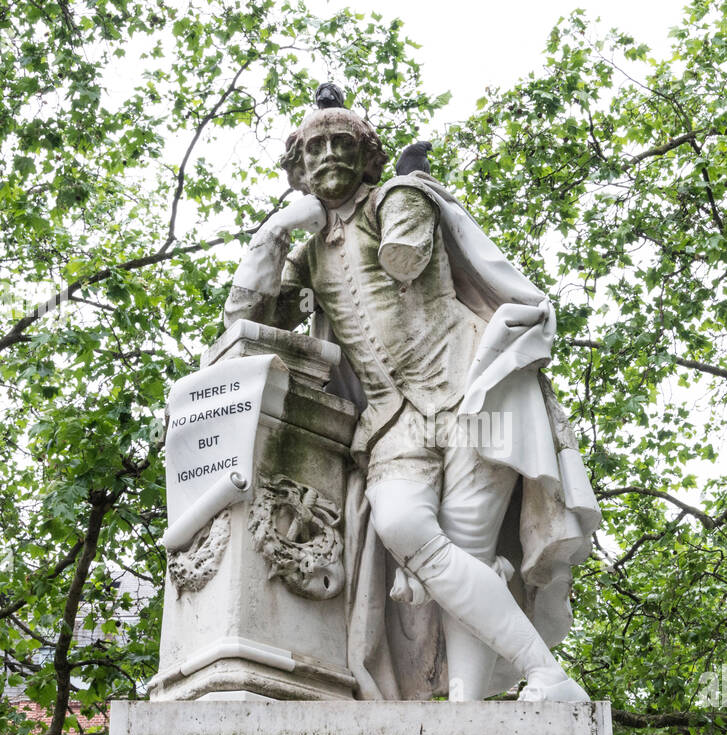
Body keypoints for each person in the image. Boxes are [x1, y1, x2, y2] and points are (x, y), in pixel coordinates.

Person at [224, 89, 598, 702]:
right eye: (313, 148)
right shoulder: (310, 251)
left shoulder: (398, 199)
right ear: (298, 168)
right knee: (404, 526)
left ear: (366, 155)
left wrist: (407, 188)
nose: (328, 157)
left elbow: (402, 262)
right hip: (392, 419)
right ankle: (545, 671)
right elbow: (247, 317)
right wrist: (274, 233)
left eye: (342, 143)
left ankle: (472, 707)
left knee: (467, 542)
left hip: (470, 389)